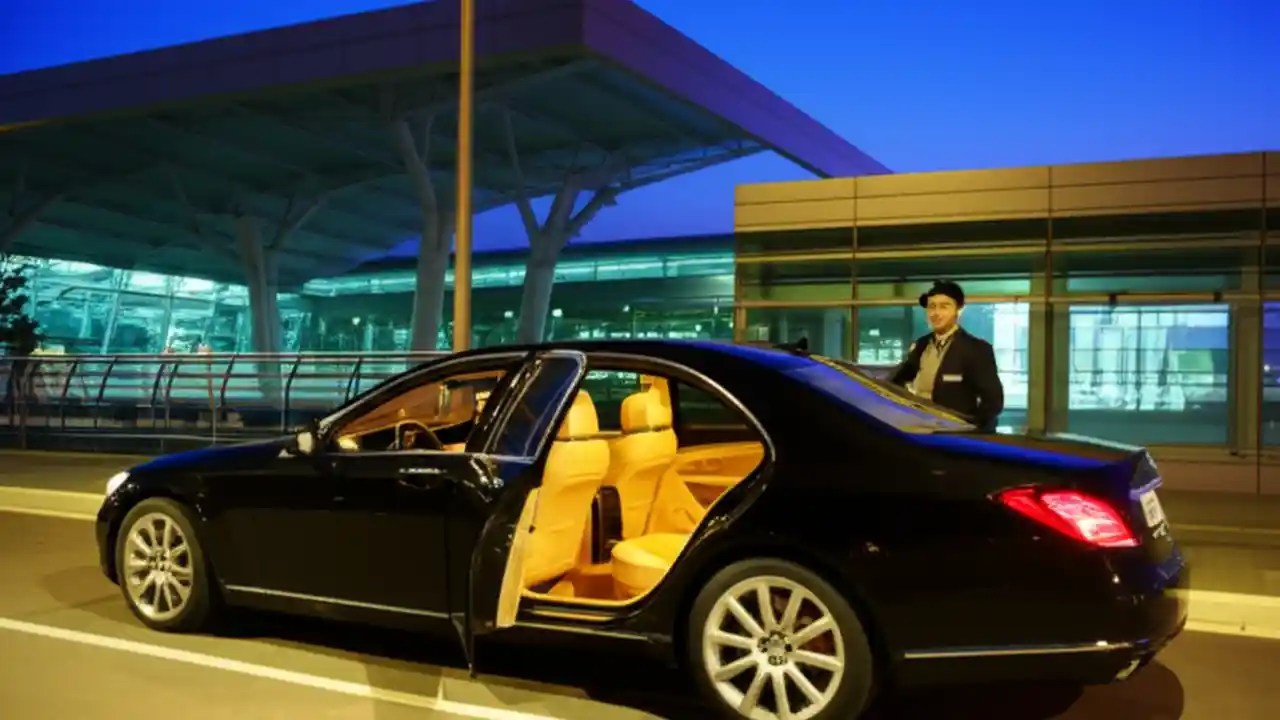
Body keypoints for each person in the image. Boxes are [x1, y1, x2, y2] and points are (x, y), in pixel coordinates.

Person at [890, 280, 1004, 431]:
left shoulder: (977, 349)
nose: (936, 313)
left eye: (944, 306)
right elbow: (898, 381)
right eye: (932, 307)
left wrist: (972, 428)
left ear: (959, 309)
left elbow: (993, 401)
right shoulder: (921, 345)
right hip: (918, 431)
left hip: (954, 435)